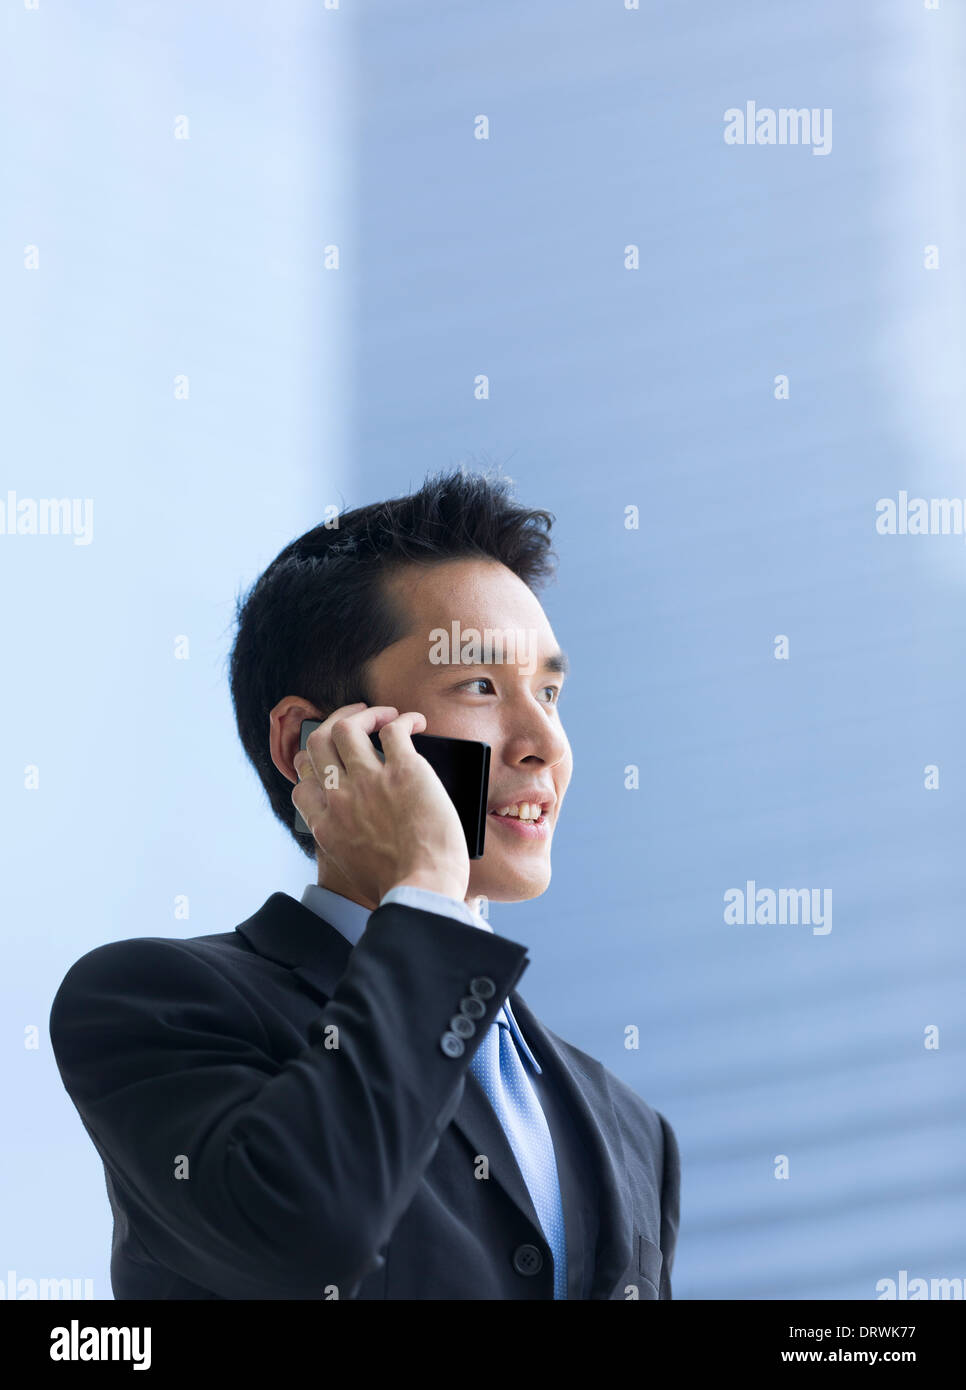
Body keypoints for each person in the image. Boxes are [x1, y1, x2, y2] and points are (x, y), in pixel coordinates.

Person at [49, 468, 679, 1300]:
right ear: (309, 744)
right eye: (481, 686)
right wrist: (426, 889)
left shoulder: (632, 1127)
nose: (543, 744)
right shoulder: (152, 1002)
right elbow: (306, 1232)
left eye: (551, 693)